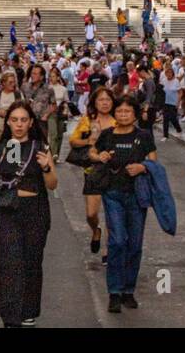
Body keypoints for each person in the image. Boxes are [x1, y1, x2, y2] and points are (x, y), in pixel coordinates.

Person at [0, 100, 57, 327]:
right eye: (14, 120)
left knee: (31, 262)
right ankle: (10, 317)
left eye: (23, 120)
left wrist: (47, 167)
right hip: (8, 213)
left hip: (35, 212)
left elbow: (52, 185)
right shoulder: (2, 149)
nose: (18, 125)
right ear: (8, 122)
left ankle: (28, 311)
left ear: (30, 123)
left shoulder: (41, 147)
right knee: (9, 263)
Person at [91, 95, 157, 312]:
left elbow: (153, 161)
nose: (123, 115)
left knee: (135, 244)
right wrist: (99, 156)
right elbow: (93, 151)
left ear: (135, 114)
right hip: (113, 193)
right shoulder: (108, 135)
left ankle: (128, 290)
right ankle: (114, 292)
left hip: (138, 196)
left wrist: (142, 167)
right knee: (118, 241)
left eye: (127, 111)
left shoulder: (144, 136)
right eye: (119, 111)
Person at [68, 87, 116, 260]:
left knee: (112, 213)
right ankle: (96, 230)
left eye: (108, 100)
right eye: (101, 100)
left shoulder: (118, 121)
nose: (104, 103)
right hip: (93, 171)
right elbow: (73, 141)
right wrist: (88, 140)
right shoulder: (88, 120)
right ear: (95, 103)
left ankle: (109, 251)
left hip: (114, 172)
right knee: (91, 214)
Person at [46, 66, 69, 161]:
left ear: (58, 77)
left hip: (61, 113)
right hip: (51, 113)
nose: (52, 78)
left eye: (54, 76)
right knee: (53, 134)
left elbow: (67, 102)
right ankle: (53, 153)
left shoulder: (63, 89)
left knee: (60, 135)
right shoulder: (46, 88)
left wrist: (66, 112)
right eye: (50, 76)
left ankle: (57, 155)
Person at [159, 62, 183, 139]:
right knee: (165, 118)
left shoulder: (176, 81)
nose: (168, 74)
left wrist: (178, 102)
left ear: (173, 73)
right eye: (167, 73)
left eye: (170, 73)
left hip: (173, 102)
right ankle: (165, 135)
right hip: (165, 102)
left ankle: (179, 130)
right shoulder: (163, 80)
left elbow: (180, 92)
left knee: (173, 118)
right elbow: (160, 90)